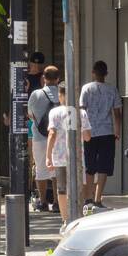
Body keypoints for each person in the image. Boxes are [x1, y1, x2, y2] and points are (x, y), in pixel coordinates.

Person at [79, 60, 123, 210]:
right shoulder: (112, 90)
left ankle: (89, 198)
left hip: (90, 132)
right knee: (104, 166)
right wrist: (117, 130)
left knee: (90, 166)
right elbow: (117, 113)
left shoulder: (86, 88)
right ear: (106, 74)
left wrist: (82, 130)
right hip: (107, 132)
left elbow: (82, 110)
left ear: (93, 72)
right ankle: (98, 198)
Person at [45, 84, 91, 222]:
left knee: (62, 189)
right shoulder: (81, 112)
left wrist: (48, 156)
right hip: (77, 156)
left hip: (59, 156)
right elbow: (88, 137)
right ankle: (78, 217)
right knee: (79, 187)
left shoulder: (54, 112)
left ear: (60, 95)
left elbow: (52, 134)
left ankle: (65, 220)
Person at [27, 65, 61, 212]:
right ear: (58, 79)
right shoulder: (62, 93)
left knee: (41, 169)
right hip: (59, 137)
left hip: (40, 137)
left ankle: (43, 201)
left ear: (44, 78)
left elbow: (30, 114)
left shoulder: (35, 94)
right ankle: (58, 201)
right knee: (57, 169)